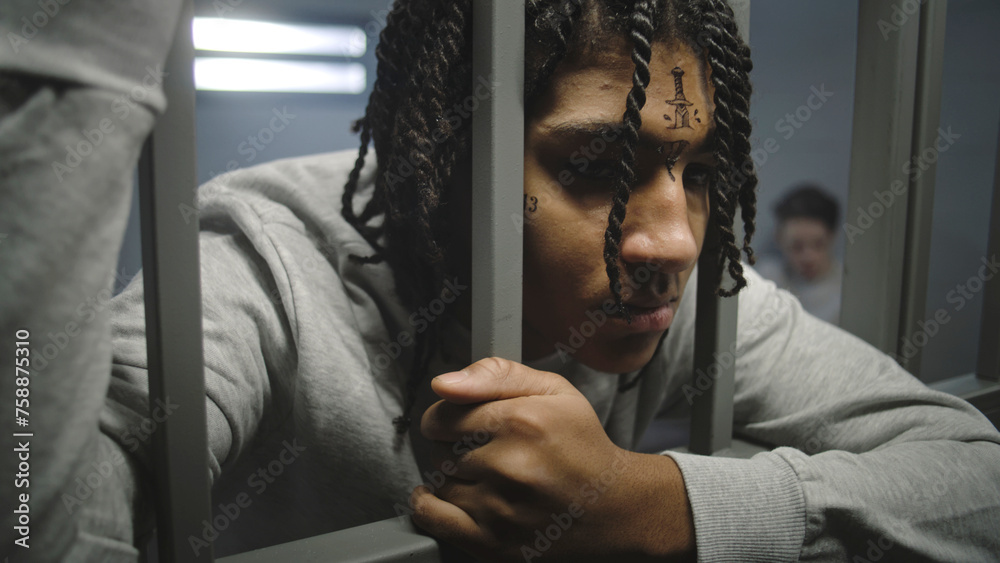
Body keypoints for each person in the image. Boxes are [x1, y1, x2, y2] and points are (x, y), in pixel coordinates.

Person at [1, 0, 999, 562]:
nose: (674, 237)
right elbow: (27, 522)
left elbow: (976, 477)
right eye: (595, 167)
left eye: (699, 177)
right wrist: (73, 75)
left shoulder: (678, 294)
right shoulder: (264, 263)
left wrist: (653, 505)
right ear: (445, 162)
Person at [756, 185, 843, 325]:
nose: (808, 257)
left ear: (832, 237)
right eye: (797, 247)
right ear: (779, 239)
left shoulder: (847, 291)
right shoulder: (767, 279)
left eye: (819, 245)